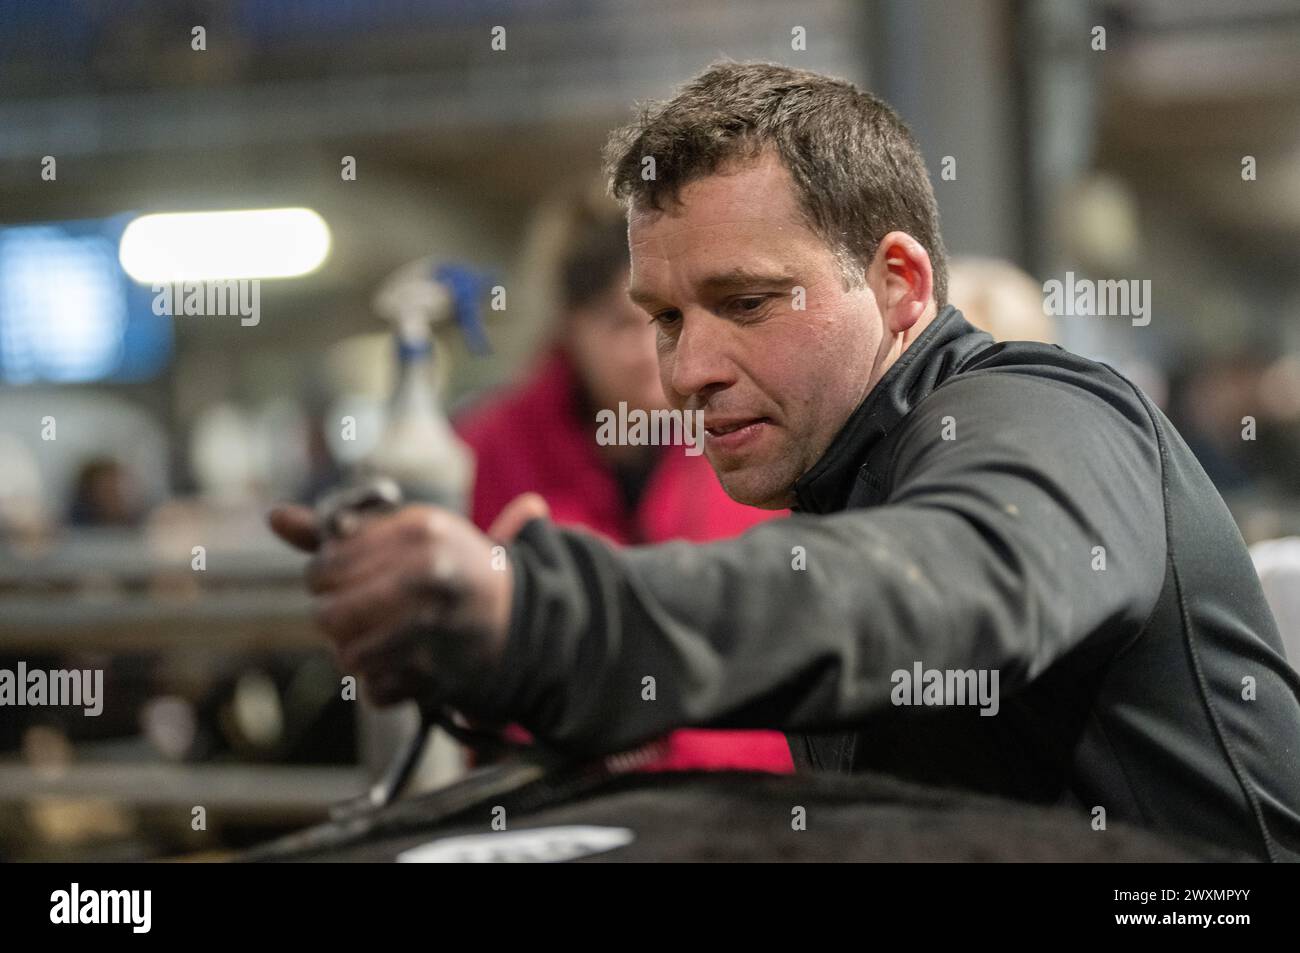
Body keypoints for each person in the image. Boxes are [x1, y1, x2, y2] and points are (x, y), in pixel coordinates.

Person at [271, 62, 1300, 861]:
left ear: (896, 283)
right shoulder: (845, 477)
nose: (686, 371)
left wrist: (542, 612)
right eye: (664, 317)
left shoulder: (1041, 410)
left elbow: (957, 583)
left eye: (747, 302)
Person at [452, 193, 792, 771]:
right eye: (617, 324)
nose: (645, 353)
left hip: (737, 787)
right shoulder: (490, 451)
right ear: (570, 326)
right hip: (556, 787)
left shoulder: (747, 433)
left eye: (662, 321)